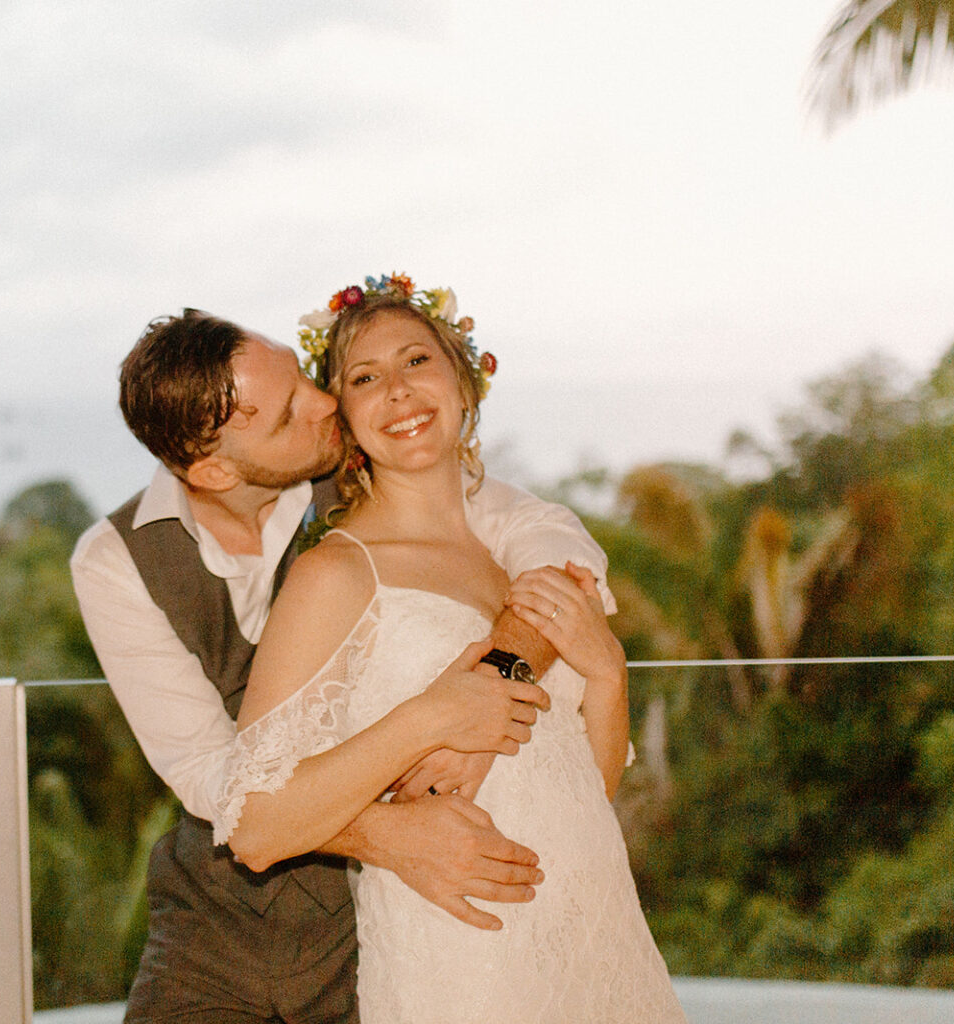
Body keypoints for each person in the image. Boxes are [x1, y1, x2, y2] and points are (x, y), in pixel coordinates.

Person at [71, 305, 620, 1022]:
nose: (325, 401)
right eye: (289, 413)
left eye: (303, 377)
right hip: (213, 932)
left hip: (366, 924)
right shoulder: (114, 560)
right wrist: (390, 833)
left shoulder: (372, 474)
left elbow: (554, 549)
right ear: (210, 468)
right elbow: (212, 775)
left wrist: (492, 685)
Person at [212, 276, 686, 1023]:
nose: (397, 392)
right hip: (468, 962)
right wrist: (430, 718)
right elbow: (252, 825)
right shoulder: (335, 572)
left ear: (465, 383)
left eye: (416, 362)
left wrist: (608, 675)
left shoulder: (513, 563)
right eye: (365, 378)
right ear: (345, 420)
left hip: (596, 945)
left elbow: (580, 795)